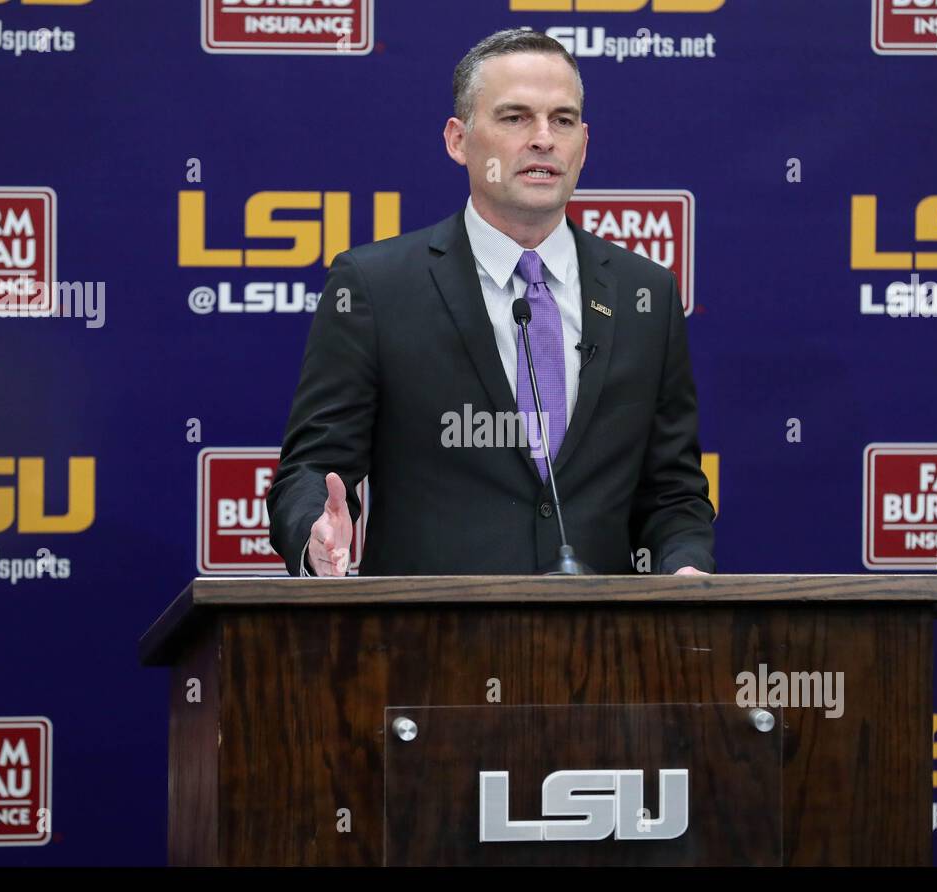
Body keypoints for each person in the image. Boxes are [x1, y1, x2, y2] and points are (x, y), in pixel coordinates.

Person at [267, 28, 715, 576]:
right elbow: (314, 466)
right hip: (428, 640)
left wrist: (686, 569)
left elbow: (673, 492)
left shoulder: (647, 293)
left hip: (601, 646)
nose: (543, 139)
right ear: (458, 140)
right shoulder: (375, 286)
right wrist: (315, 530)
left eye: (563, 120)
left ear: (584, 146)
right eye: (515, 118)